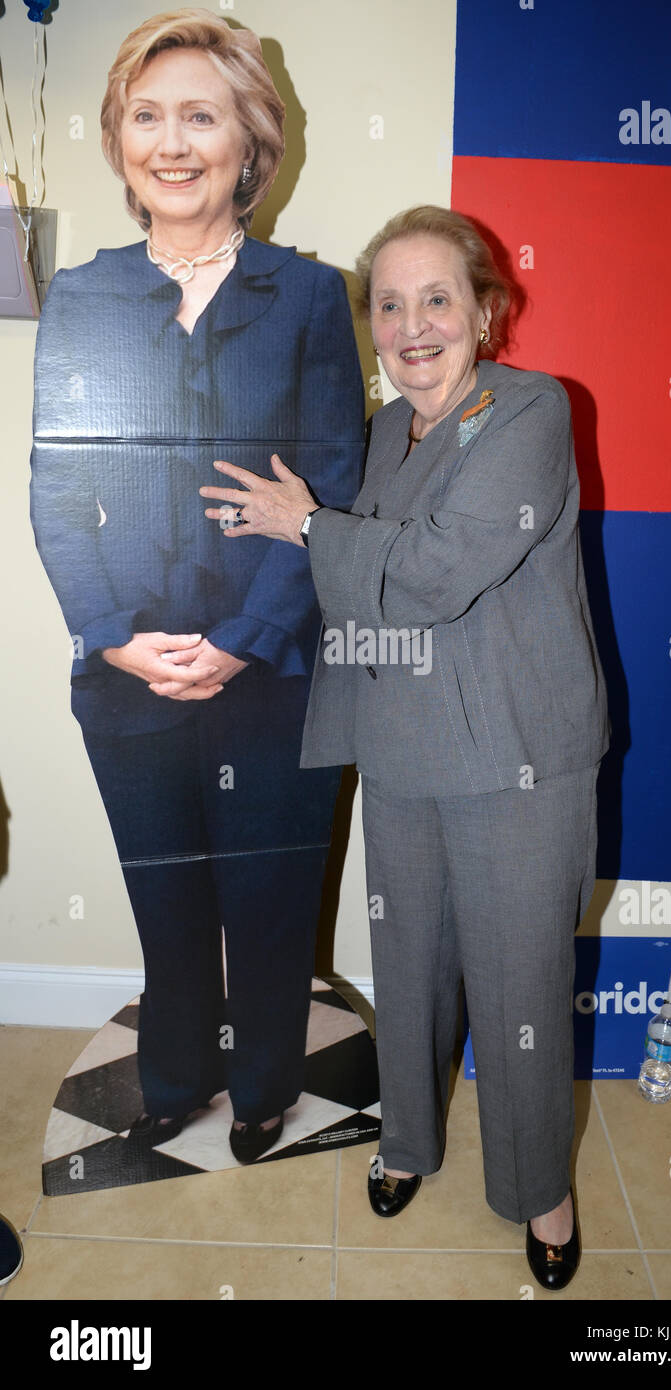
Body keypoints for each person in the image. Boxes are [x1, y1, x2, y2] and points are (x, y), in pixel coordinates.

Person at [200, 204, 609, 1288]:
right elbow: (351, 582)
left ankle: (540, 1195)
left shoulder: (527, 410)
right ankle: (408, 1140)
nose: (412, 324)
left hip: (515, 758)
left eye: (437, 297)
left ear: (484, 308)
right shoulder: (385, 431)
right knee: (411, 969)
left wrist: (306, 527)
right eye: (389, 303)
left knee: (518, 989)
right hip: (402, 748)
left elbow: (430, 571)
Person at [29, 10, 363, 1164]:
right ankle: (173, 1075)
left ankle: (266, 1082)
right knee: (167, 908)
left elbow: (330, 479)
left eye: (201, 115)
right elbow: (55, 490)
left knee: (269, 907)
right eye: (147, 115)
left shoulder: (310, 296)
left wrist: (244, 637)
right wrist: (114, 634)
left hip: (270, 672)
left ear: (248, 141)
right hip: (124, 676)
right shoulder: (81, 296)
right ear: (121, 139)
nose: (172, 142)